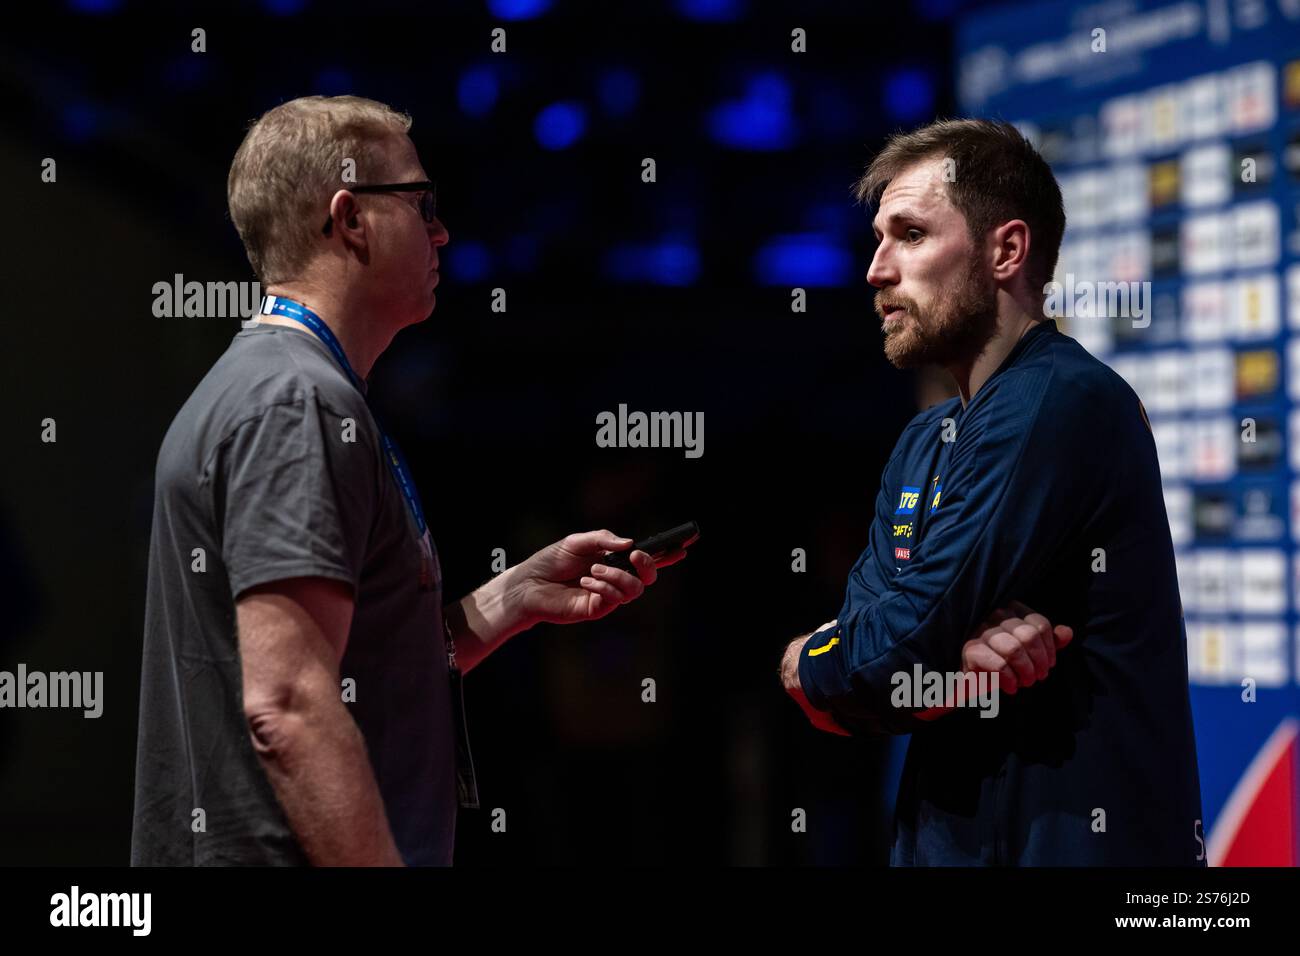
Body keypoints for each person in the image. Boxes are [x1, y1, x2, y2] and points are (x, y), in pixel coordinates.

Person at [131, 95, 683, 866]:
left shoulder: (291, 388)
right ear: (350, 218)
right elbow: (288, 703)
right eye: (421, 204)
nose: (441, 230)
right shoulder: (296, 403)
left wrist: (508, 599)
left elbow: (356, 664)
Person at [779, 118, 1203, 866]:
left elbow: (886, 651)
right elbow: (864, 682)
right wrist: (950, 679)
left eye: (909, 235)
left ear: (1006, 251)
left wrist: (814, 660)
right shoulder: (923, 439)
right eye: (878, 239)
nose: (876, 269)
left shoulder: (1057, 401)